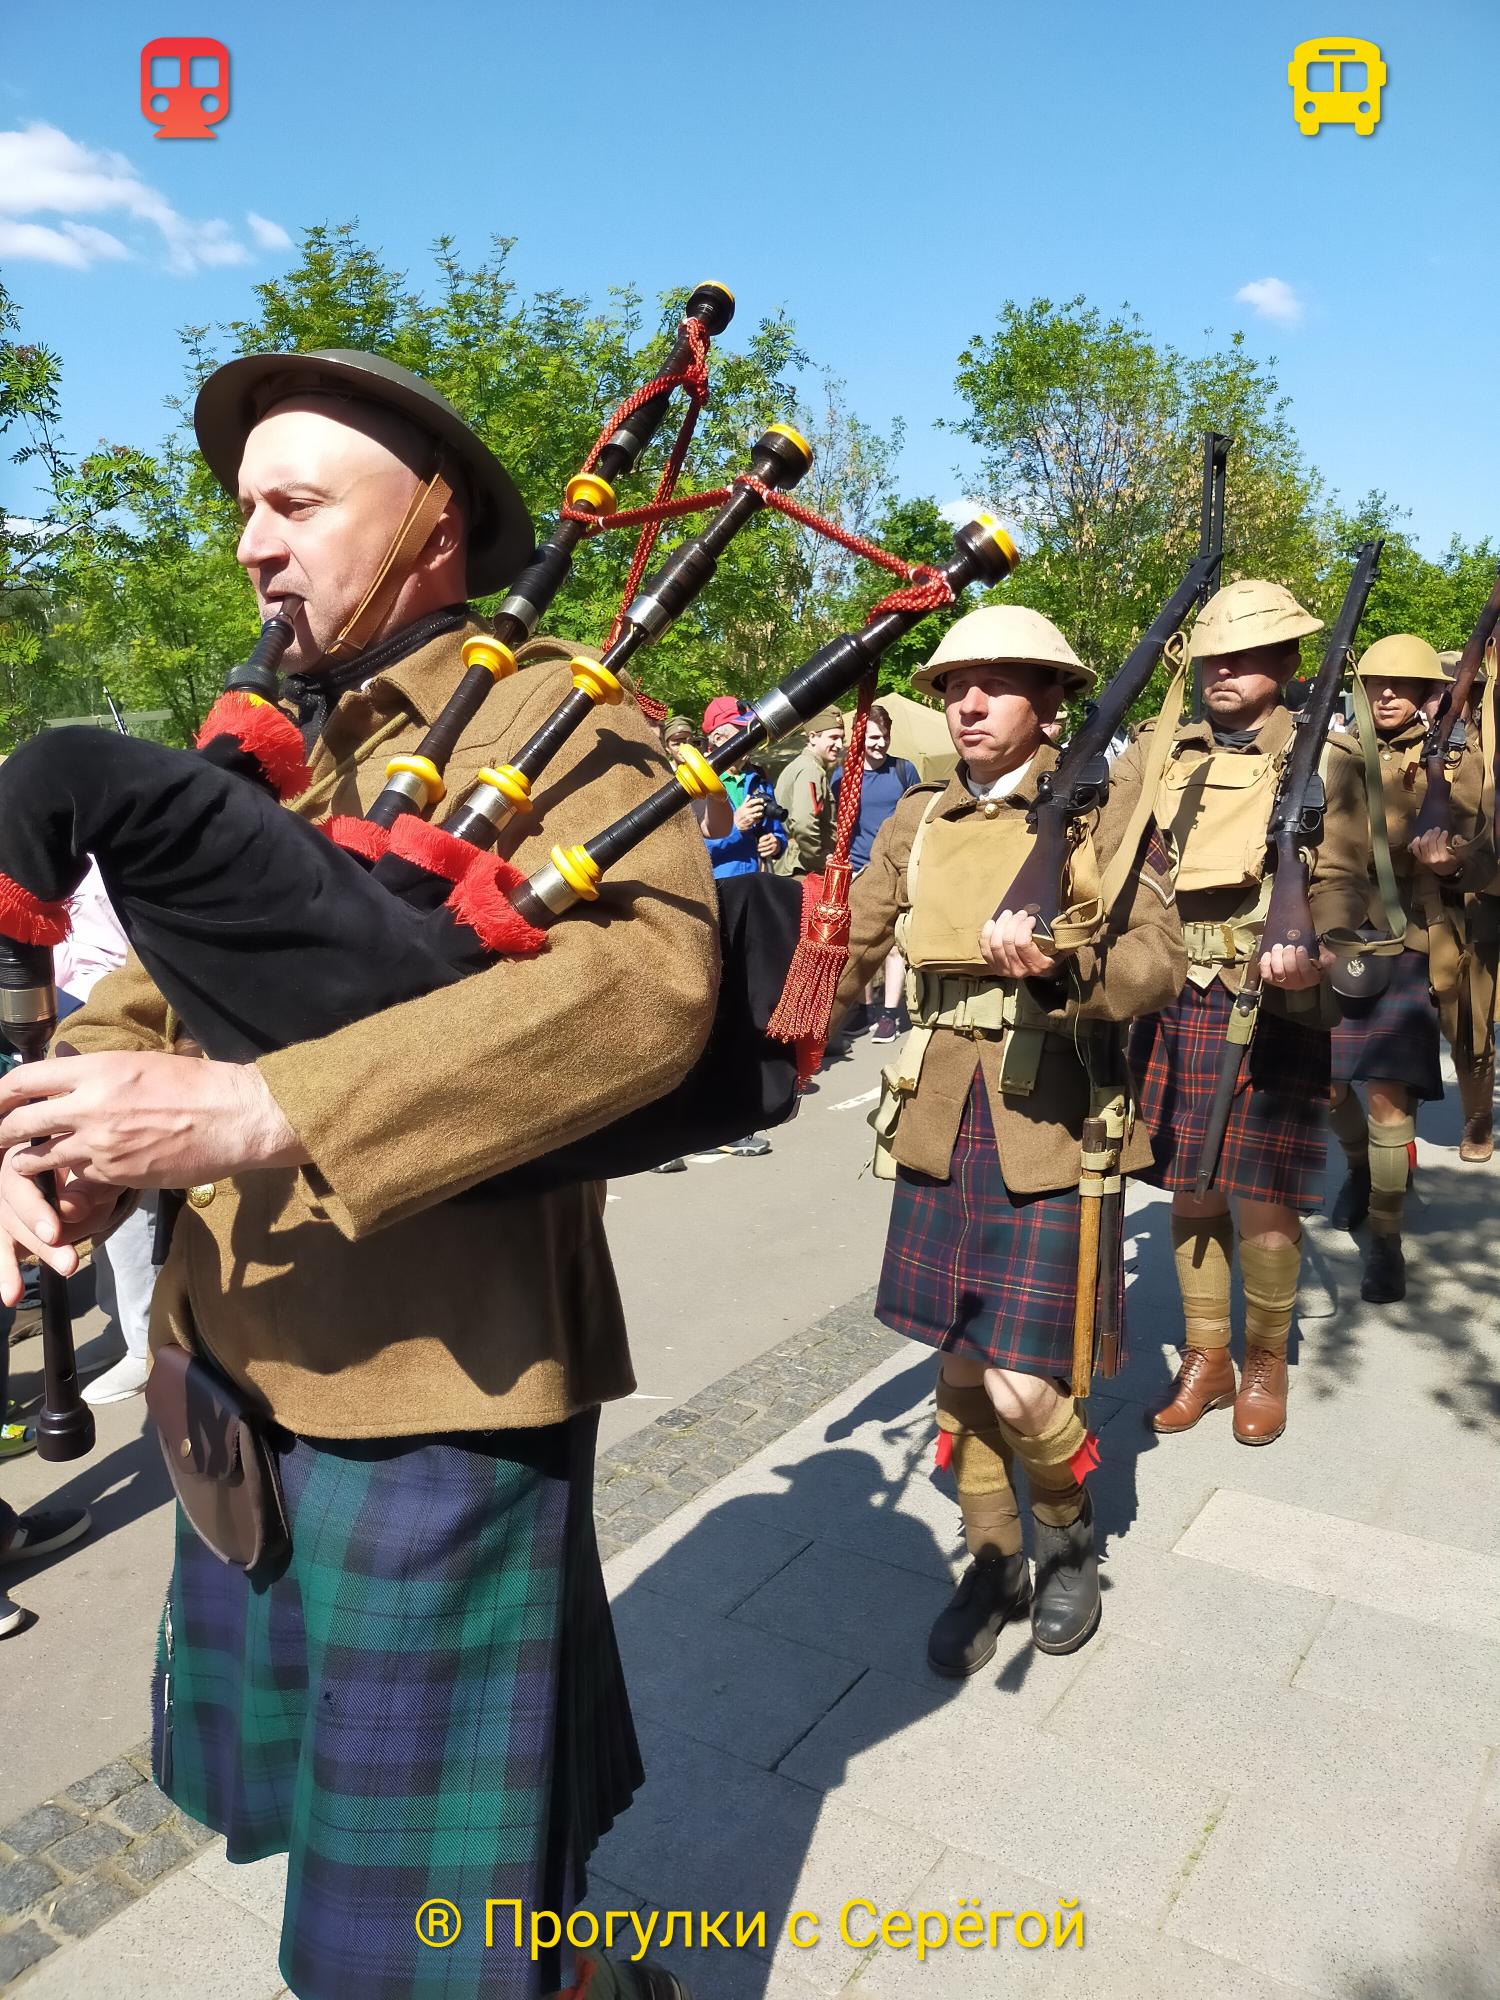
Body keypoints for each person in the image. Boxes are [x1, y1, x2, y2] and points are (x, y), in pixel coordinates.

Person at [0, 348, 715, 2000]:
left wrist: (265, 1115)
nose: (254, 540)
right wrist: (68, 1123)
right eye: (245, 506)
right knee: (363, 1838)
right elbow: (154, 982)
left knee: (392, 1950)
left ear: (434, 524)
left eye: (297, 501)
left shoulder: (570, 720)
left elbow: (642, 995)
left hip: (435, 1384)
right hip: (238, 1372)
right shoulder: (271, 746)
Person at [835, 607, 1186, 1671]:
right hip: (943, 1113)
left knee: (1025, 1386)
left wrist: (1072, 961)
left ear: (1050, 701)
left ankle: (1068, 1532)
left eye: (994, 684)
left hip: (1049, 1118)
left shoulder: (1099, 810)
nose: (968, 703)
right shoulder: (921, 815)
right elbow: (851, 938)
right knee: (960, 1365)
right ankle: (992, 1561)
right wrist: (781, 1031)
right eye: (953, 686)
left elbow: (1157, 961)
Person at [1125, 579, 1370, 1447]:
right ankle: (1208, 1356)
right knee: (1188, 1185)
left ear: (1287, 665)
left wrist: (1316, 941)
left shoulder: (1327, 756)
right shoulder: (1162, 752)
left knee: (1264, 1196)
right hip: (1172, 996)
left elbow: (1342, 875)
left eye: (1245, 657)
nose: (1221, 671)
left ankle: (1266, 1358)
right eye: (1212, 656)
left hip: (1274, 1001)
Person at [1327, 635, 1494, 1301]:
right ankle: (1362, 1169)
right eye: (1376, 681)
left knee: (1390, 1098)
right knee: (1328, 1088)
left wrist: (1456, 863)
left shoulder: (1461, 756)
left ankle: (1387, 1239)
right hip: (1335, 934)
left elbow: (1490, 848)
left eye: (1404, 683)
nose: (1388, 693)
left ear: (1431, 692)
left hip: (1416, 942)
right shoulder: (1330, 753)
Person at [52, 859, 159, 1405]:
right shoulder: (46, 863)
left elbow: (132, 958)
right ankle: (122, 1329)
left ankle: (146, 1345)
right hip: (74, 1022)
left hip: (121, 1029)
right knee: (94, 1208)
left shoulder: (107, 855)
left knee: (129, 1207)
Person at [1434, 650, 1499, 1164]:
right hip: (1463, 898)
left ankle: (1478, 1120)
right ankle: (1477, 1117)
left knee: (1475, 1019)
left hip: (1483, 892)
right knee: (1465, 1020)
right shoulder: (1438, 749)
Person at [830, 702, 918, 1042]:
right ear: (859, 739)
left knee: (894, 943)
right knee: (862, 940)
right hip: (858, 868)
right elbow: (841, 826)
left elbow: (916, 816)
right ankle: (864, 1009)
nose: (879, 744)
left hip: (896, 867)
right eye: (872, 738)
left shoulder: (903, 771)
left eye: (883, 737)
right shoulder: (844, 775)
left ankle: (888, 1014)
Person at [701, 695, 785, 877]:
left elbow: (777, 831)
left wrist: (776, 843)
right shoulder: (697, 786)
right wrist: (735, 827)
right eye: (742, 731)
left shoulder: (759, 777)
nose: (752, 738)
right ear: (718, 738)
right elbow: (690, 852)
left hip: (755, 887)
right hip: (717, 892)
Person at [774, 707, 845, 876]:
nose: (840, 745)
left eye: (841, 739)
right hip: (801, 868)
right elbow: (803, 822)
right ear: (812, 737)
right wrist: (818, 858)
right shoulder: (810, 771)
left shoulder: (807, 766)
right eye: (833, 738)